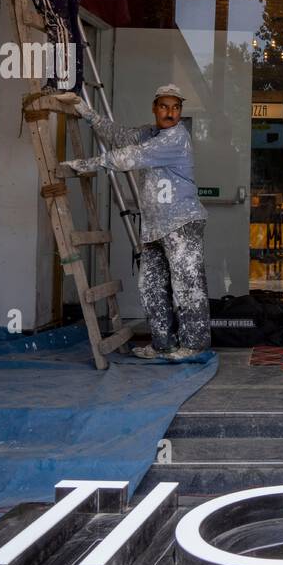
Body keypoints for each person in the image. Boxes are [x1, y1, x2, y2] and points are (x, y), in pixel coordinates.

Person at [64, 85, 210, 359]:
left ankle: (193, 346)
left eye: (176, 107)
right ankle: (162, 344)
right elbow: (119, 137)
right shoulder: (150, 132)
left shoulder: (175, 137)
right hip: (155, 226)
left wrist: (87, 164)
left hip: (181, 223)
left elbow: (128, 157)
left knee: (187, 286)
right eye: (165, 106)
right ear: (155, 108)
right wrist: (87, 113)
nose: (170, 113)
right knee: (151, 285)